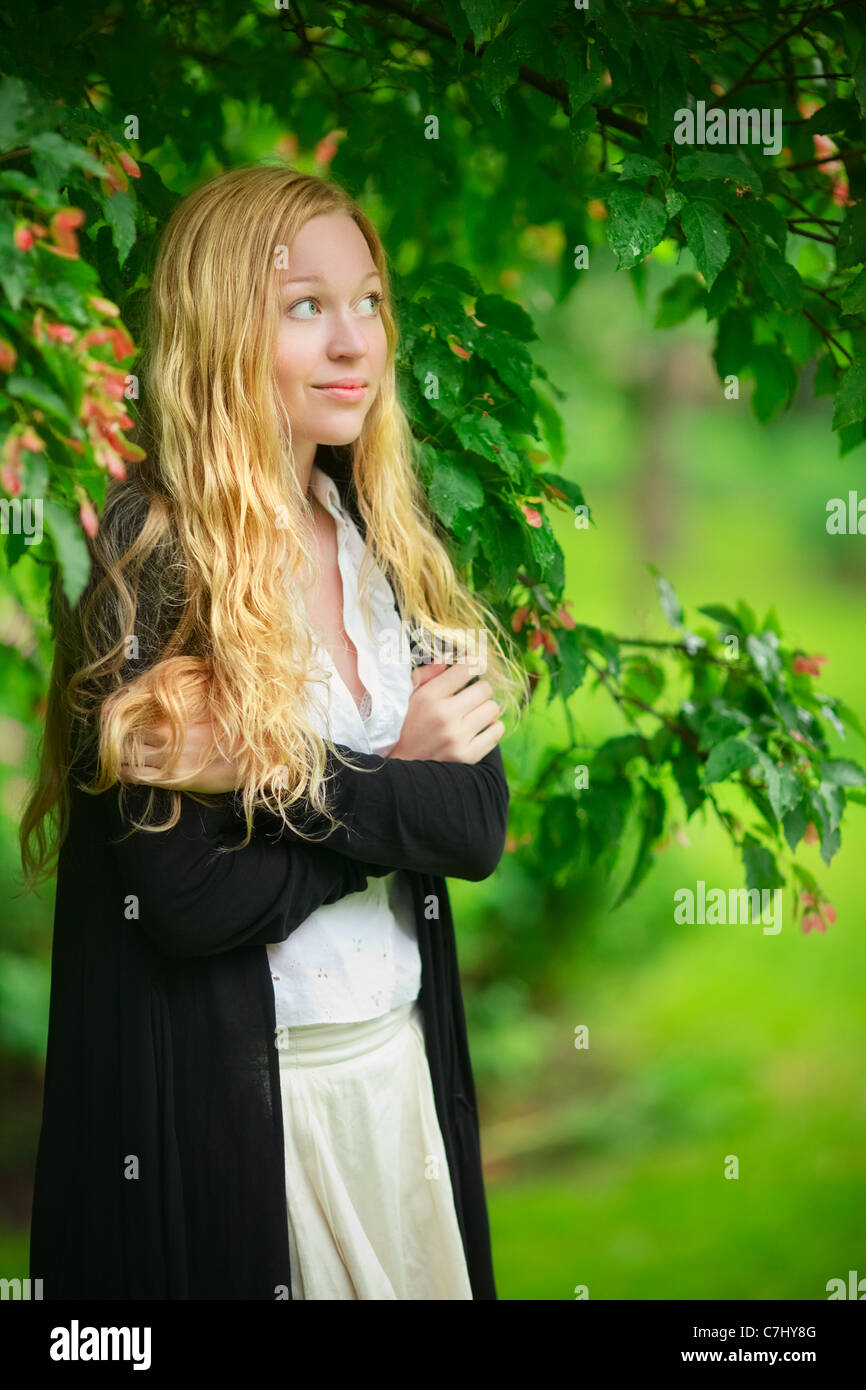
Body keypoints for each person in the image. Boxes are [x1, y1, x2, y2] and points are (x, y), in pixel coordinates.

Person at [21, 164, 527, 1300]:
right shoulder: (147, 557)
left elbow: (472, 824)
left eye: (368, 301)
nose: (354, 342)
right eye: (306, 307)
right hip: (236, 1109)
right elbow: (189, 899)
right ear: (218, 326)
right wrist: (387, 772)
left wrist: (263, 768)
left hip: (395, 1082)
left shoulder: (386, 534)